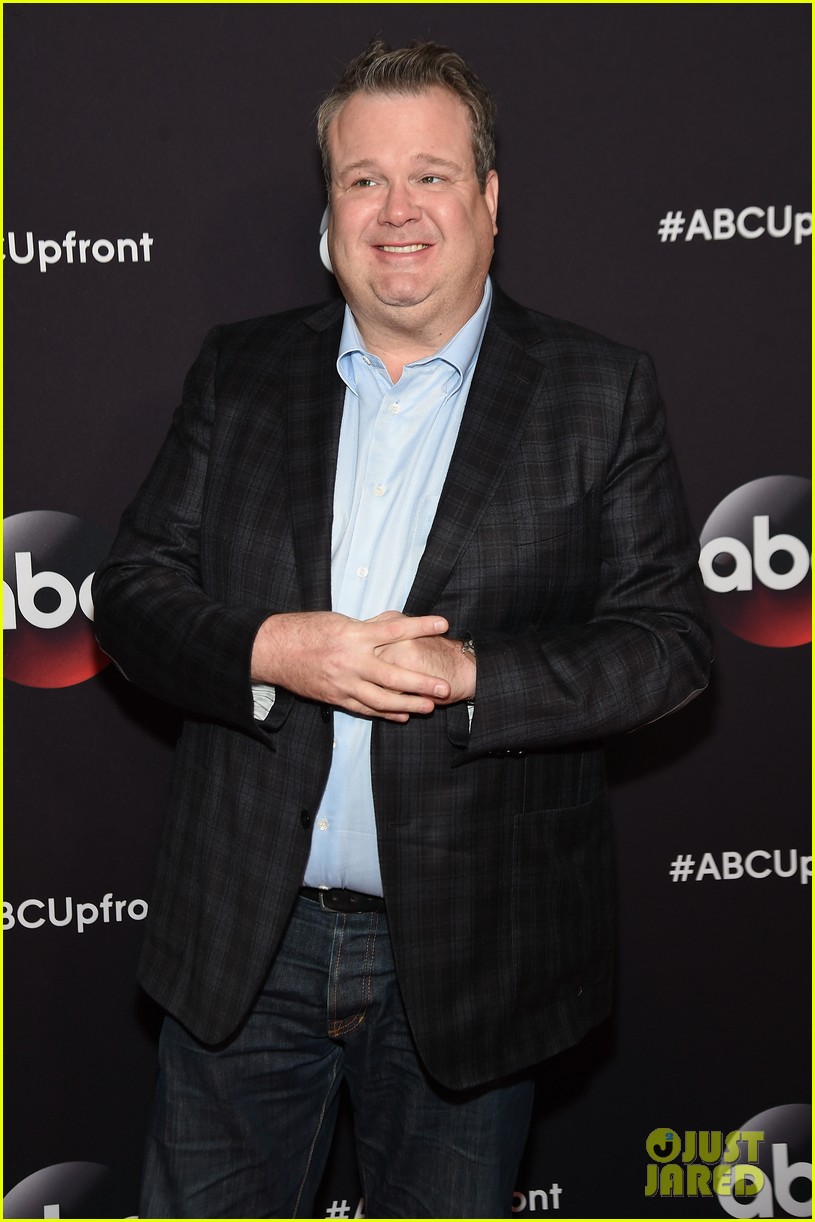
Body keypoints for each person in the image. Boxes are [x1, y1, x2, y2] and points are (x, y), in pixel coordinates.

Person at [93, 37, 712, 1219]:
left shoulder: (596, 389)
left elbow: (666, 644)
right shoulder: (240, 371)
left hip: (474, 955)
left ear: (486, 199)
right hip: (244, 945)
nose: (395, 211)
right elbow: (130, 592)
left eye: (429, 174)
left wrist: (471, 673)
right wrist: (277, 650)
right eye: (362, 178)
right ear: (328, 208)